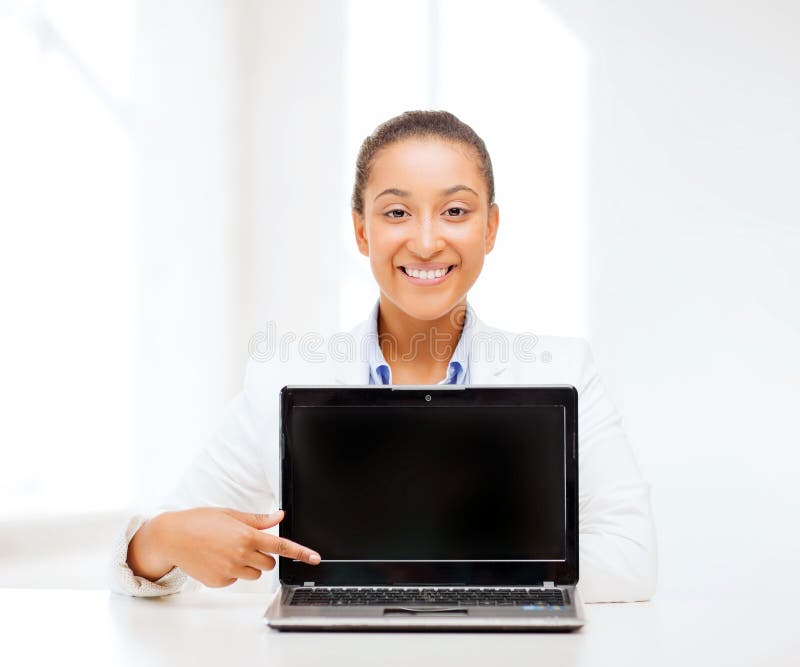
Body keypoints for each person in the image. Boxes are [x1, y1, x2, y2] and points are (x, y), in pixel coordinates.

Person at [111, 110, 657, 603]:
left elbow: (634, 561)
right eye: (396, 212)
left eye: (455, 210)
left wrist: (421, 564)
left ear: (490, 228)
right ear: (360, 230)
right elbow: (148, 566)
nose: (424, 241)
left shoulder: (563, 371)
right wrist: (163, 539)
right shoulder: (283, 378)